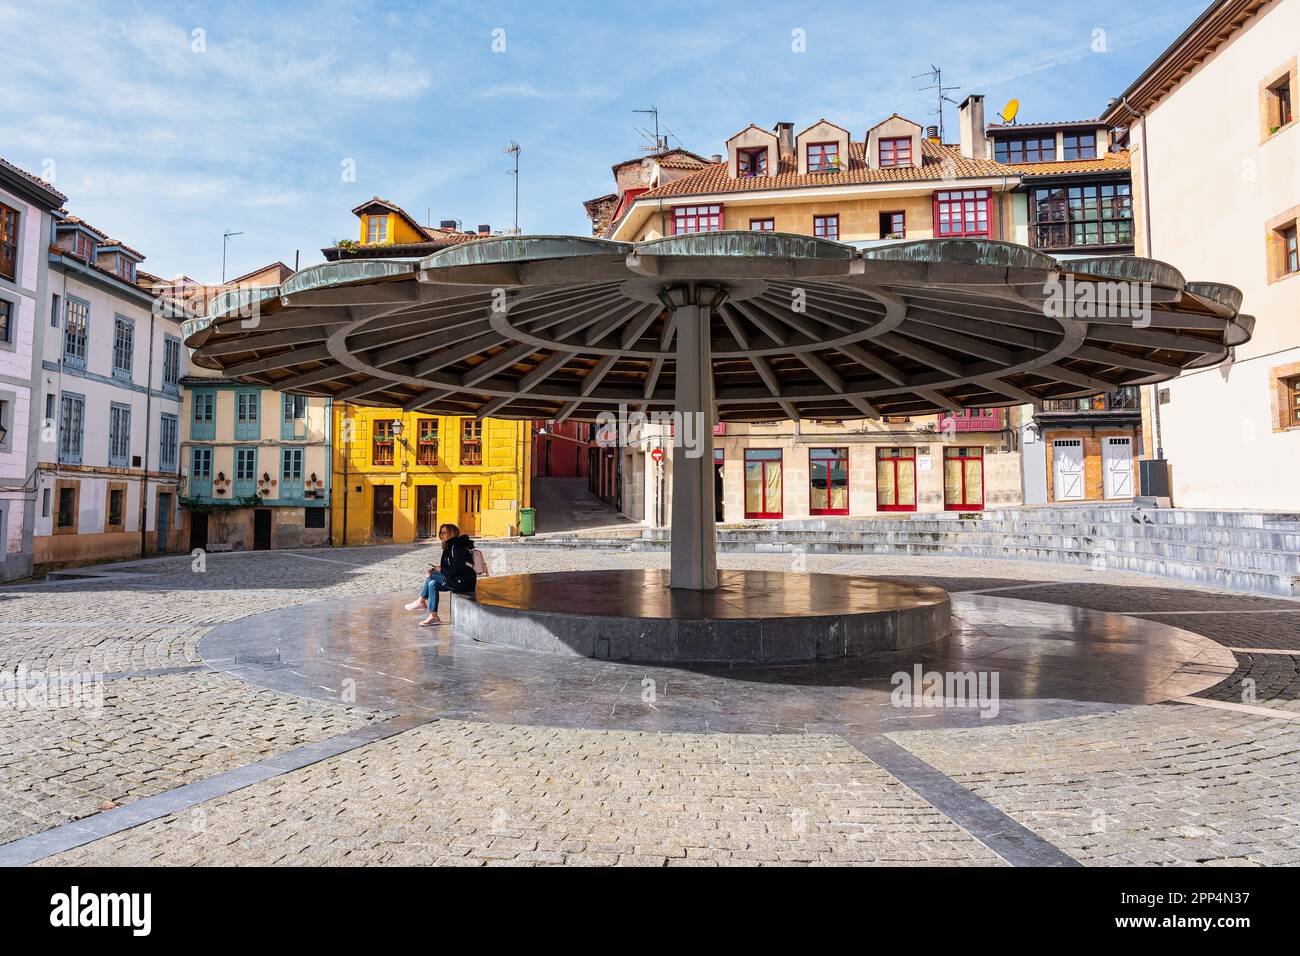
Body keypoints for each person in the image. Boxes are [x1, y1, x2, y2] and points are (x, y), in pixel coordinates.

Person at [404, 523, 477, 626]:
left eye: (444, 533)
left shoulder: (458, 548)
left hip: (464, 582)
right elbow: (446, 567)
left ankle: (421, 601)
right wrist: (436, 569)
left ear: (451, 533)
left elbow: (457, 570)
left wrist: (438, 570)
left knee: (432, 575)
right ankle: (433, 616)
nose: (441, 535)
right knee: (432, 583)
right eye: (440, 533)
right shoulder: (448, 547)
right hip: (455, 579)